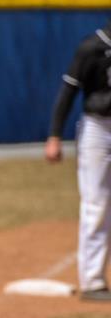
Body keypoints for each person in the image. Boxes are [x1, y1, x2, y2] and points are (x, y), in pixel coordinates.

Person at [43, 18, 111, 302]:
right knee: (96, 204)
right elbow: (68, 91)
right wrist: (55, 136)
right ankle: (92, 281)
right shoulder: (92, 47)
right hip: (98, 128)